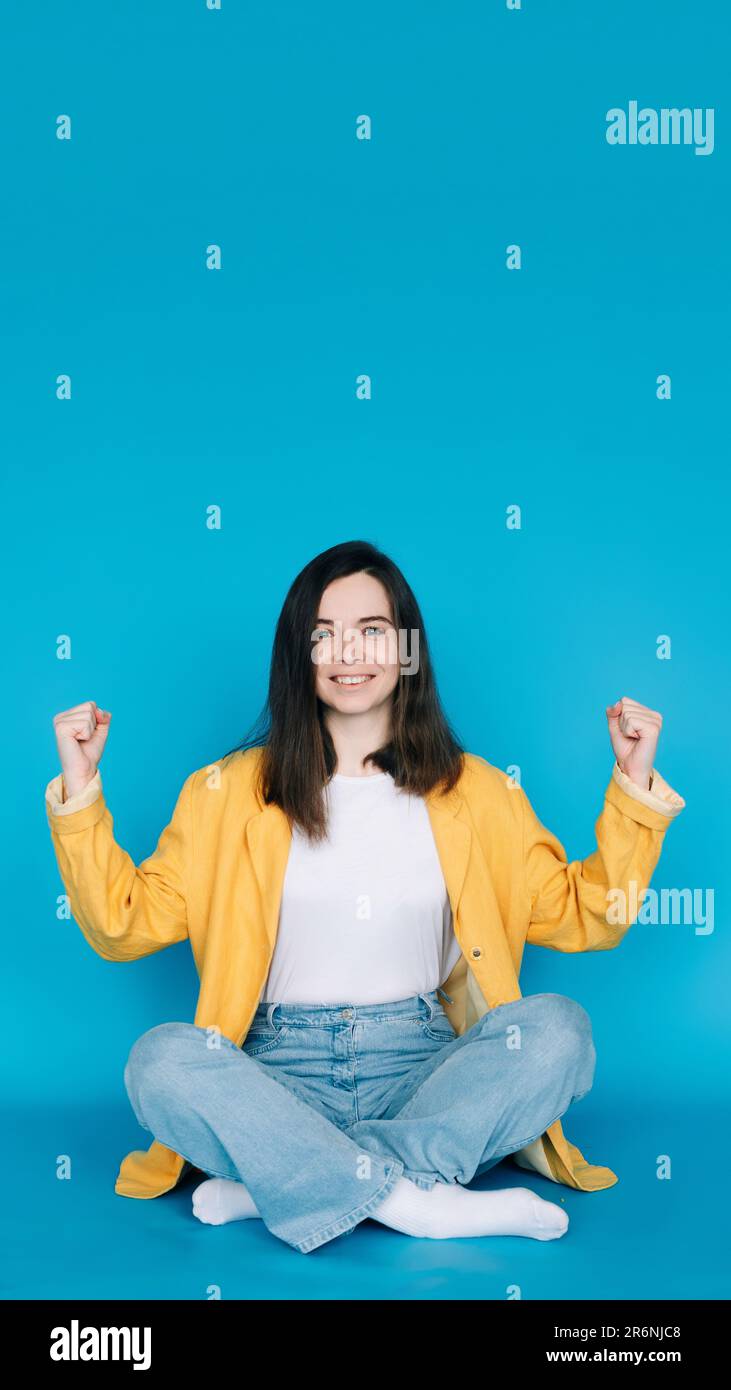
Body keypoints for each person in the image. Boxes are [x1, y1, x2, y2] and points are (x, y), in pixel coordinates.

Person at [46, 540, 685, 1255]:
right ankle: (420, 1204)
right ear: (300, 656)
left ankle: (282, 1185)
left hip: (421, 1068)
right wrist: (80, 792)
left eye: (371, 631)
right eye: (323, 635)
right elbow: (121, 927)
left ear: (406, 649)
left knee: (559, 1031)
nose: (347, 652)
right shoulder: (224, 792)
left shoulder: (477, 791)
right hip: (272, 1075)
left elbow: (583, 917)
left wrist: (631, 792)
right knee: (159, 1062)